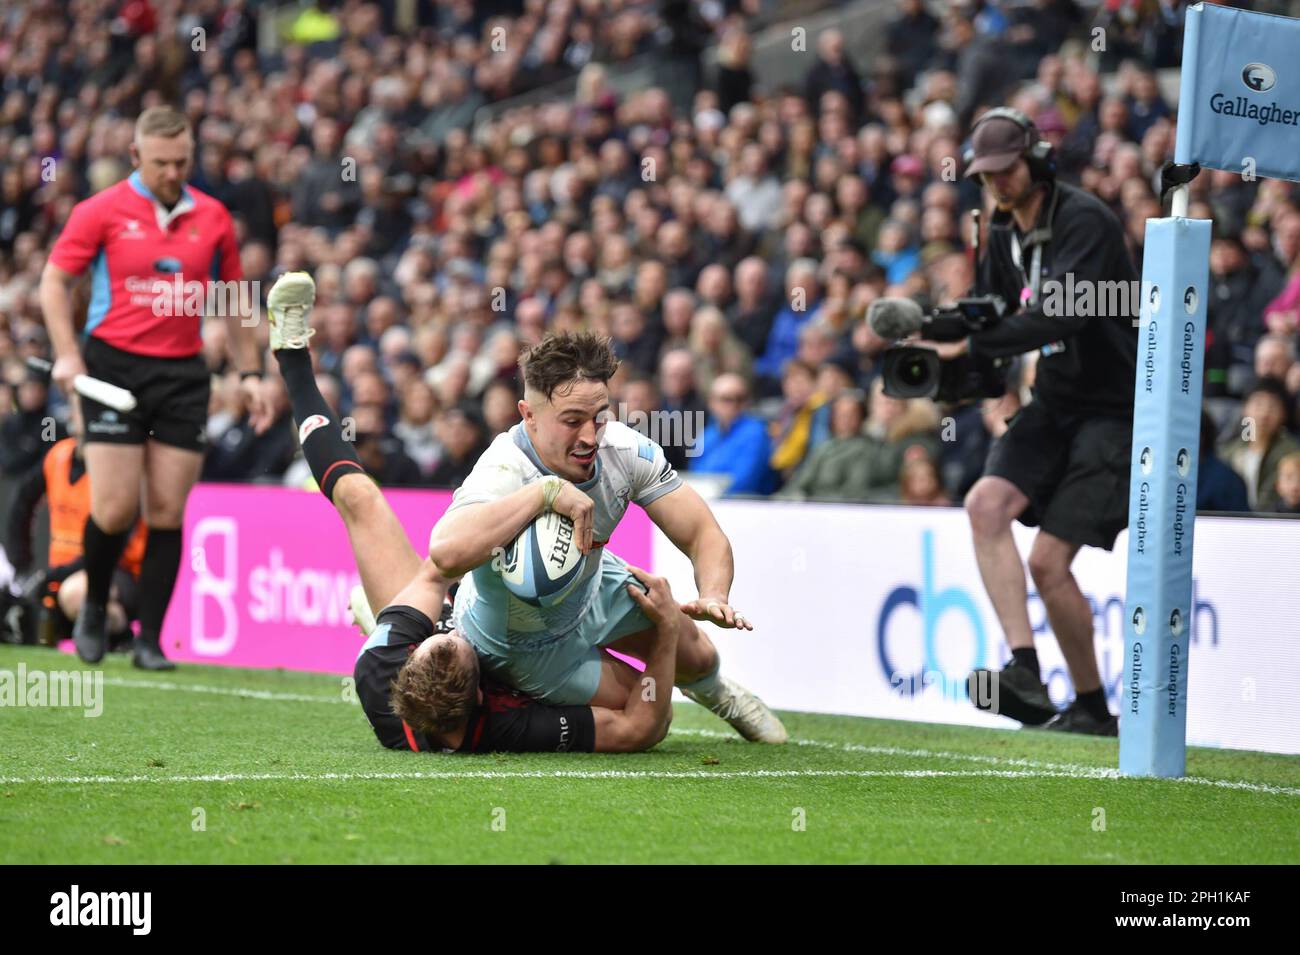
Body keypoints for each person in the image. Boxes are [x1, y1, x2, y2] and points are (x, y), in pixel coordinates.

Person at [263, 272, 682, 753]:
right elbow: (640, 729)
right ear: (486, 689)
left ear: (416, 650)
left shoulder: (382, 665)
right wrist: (667, 632)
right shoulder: (498, 723)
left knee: (361, 499)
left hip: (425, 610)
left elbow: (435, 573)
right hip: (487, 636)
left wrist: (539, 496)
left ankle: (291, 356)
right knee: (653, 696)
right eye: (452, 639)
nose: (448, 634)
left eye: (437, 640)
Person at [427, 330, 787, 743]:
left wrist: (715, 594)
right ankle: (438, 636)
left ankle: (719, 694)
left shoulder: (624, 450)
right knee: (654, 716)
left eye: (599, 415)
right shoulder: (504, 469)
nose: (589, 436)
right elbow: (445, 555)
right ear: (528, 415)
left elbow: (702, 532)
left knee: (701, 657)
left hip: (593, 587)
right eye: (572, 421)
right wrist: (544, 493)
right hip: (520, 644)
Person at [932, 107, 1140, 735]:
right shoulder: (999, 228)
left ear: (1036, 161)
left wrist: (973, 348)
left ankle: (1093, 708)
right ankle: (1024, 668)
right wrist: (960, 348)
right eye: (987, 173)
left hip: (1114, 410)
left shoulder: (1084, 220)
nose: (998, 182)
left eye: (1007, 168)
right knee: (984, 506)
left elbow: (1059, 318)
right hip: (1053, 402)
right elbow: (994, 314)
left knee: (1050, 562)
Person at [39, 106, 270, 669]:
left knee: (167, 508)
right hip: (112, 369)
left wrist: (248, 372)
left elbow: (234, 299)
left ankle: (149, 639)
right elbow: (53, 280)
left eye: (182, 161)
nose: (172, 171)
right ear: (137, 156)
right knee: (116, 508)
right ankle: (93, 605)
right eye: (161, 162)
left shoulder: (213, 216)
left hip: (183, 373)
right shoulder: (101, 209)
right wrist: (68, 355)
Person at [5, 408, 148, 651]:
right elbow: (22, 500)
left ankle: (121, 635)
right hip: (62, 574)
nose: (74, 413)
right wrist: (21, 561)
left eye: (83, 406)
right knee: (33, 614)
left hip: (118, 573)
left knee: (75, 593)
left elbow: (119, 540)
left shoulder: (117, 465)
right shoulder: (58, 454)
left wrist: (58, 573)